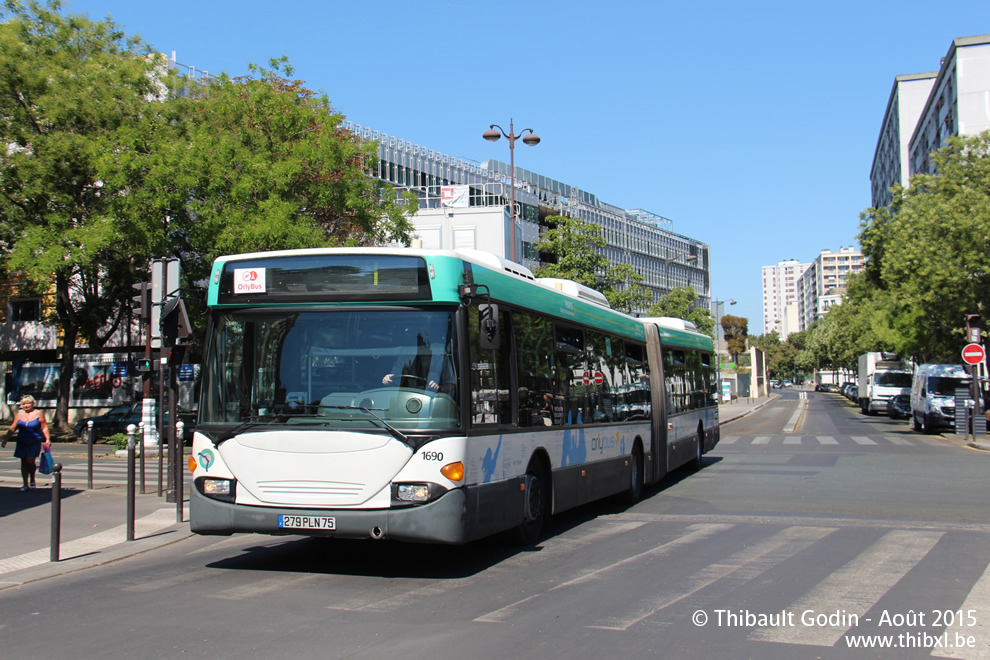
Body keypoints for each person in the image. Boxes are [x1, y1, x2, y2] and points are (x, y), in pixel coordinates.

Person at [3, 395, 51, 491]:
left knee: (30, 461)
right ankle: (25, 484)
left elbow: (44, 427)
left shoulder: (38, 413)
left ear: (33, 404)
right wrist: (5, 439)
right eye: (24, 404)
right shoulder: (19, 414)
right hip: (22, 441)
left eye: (28, 403)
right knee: (23, 462)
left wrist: (48, 439)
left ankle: (32, 479)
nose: (26, 406)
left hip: (34, 441)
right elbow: (13, 427)